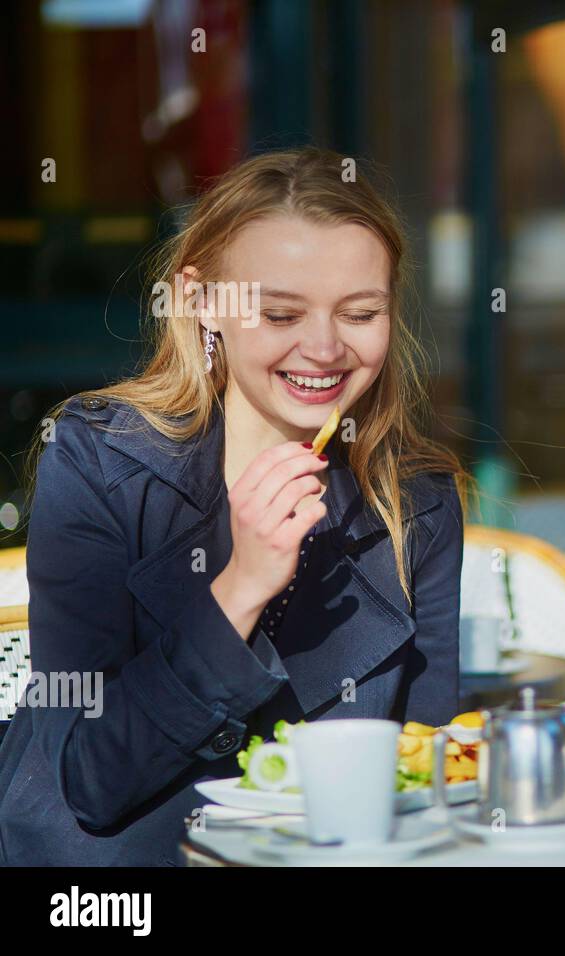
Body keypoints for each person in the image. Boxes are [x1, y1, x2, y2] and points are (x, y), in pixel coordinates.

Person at [0, 148, 467, 865]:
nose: (323, 347)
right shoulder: (98, 463)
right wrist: (239, 588)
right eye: (281, 312)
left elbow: (423, 773)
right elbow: (92, 779)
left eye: (361, 312)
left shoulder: (417, 503)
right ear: (201, 300)